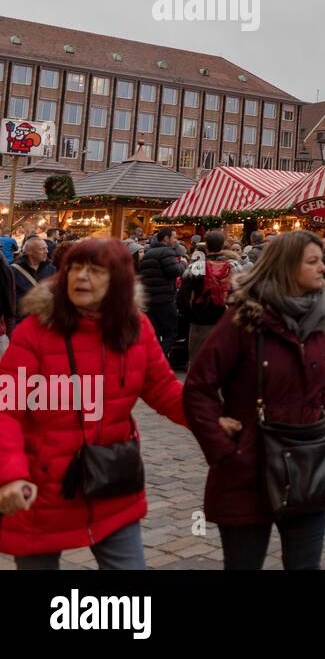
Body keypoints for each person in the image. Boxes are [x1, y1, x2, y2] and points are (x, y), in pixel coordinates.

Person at [0, 239, 188, 569]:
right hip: (41, 487)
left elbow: (164, 390)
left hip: (111, 480)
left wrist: (213, 416)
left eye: (95, 270)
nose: (81, 277)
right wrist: (10, 475)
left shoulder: (136, 327)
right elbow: (6, 410)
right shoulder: (34, 332)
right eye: (74, 268)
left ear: (118, 279)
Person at [183, 230, 325, 569]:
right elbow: (199, 386)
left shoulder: (323, 318)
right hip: (249, 465)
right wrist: (223, 447)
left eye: (321, 262)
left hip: (308, 460)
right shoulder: (244, 319)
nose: (323, 269)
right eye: (312, 262)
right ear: (287, 267)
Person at [178, 229, 244, 366]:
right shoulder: (235, 267)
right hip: (227, 321)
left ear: (206, 246)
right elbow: (243, 294)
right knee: (226, 363)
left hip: (201, 322)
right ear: (223, 246)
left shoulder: (195, 268)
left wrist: (192, 316)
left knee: (198, 362)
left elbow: (182, 299)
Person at [138, 227, 186, 357]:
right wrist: (183, 264)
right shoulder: (166, 252)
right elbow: (175, 271)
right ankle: (159, 359)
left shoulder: (148, 253)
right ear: (166, 238)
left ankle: (152, 359)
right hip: (164, 300)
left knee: (155, 333)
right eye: (174, 237)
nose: (176, 240)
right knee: (171, 332)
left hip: (149, 300)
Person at [10, 236, 57, 318]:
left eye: (46, 248)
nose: (46, 251)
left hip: (45, 317)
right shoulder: (14, 270)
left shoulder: (51, 269)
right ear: (29, 252)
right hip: (21, 318)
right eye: (42, 249)